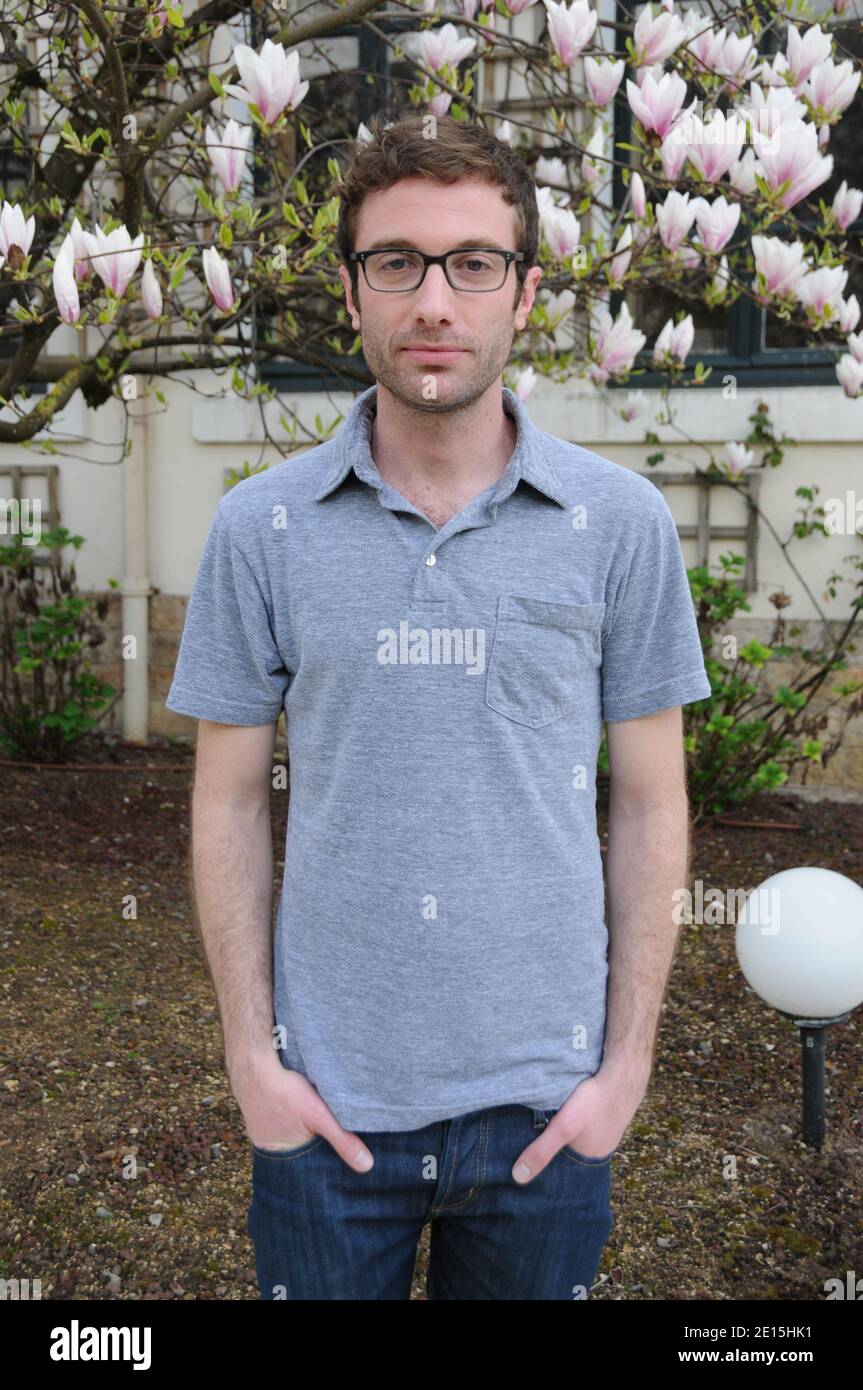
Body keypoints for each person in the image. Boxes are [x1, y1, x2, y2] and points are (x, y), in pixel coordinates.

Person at [166, 113, 712, 1300]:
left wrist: (623, 1070)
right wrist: (250, 1061)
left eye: (472, 263)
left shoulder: (617, 527)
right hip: (324, 1117)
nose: (433, 300)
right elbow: (224, 803)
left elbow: (650, 802)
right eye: (396, 261)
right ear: (351, 290)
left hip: (544, 1116)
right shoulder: (259, 530)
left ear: (523, 294)